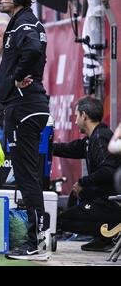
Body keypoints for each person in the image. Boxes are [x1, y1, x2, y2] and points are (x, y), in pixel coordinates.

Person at [0, 0, 50, 260]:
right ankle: (37, 240)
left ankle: (35, 243)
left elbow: (31, 50)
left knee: (27, 176)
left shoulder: (25, 23)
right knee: (28, 175)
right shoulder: (24, 22)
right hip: (28, 106)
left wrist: (16, 78)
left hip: (25, 107)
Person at [53, 97, 121, 251]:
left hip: (112, 203)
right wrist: (44, 146)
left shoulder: (100, 137)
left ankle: (111, 232)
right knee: (76, 197)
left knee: (62, 221)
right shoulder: (91, 139)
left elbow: (108, 170)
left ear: (84, 115)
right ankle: (103, 238)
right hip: (104, 199)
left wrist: (83, 182)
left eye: (76, 115)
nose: (75, 120)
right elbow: (69, 148)